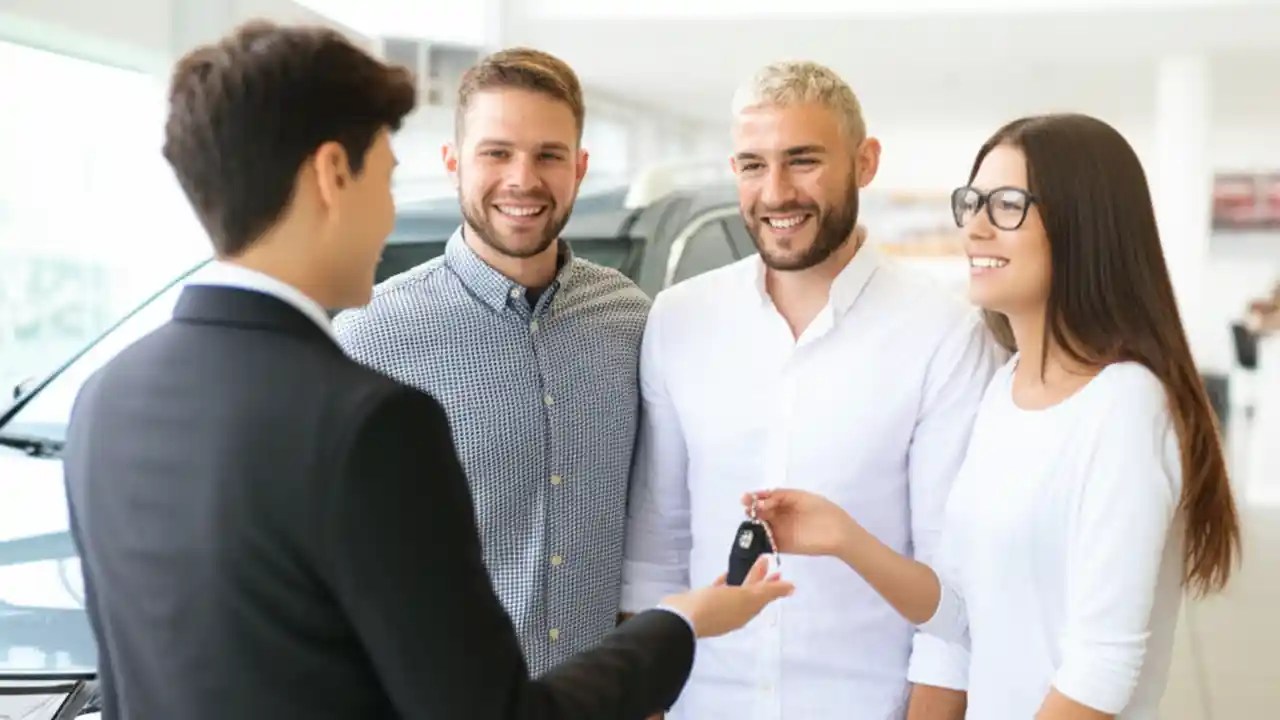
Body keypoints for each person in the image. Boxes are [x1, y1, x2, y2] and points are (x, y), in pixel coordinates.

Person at [61, 21, 792, 720]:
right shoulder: (368, 409)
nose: (388, 216)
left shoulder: (103, 400)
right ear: (331, 176)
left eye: (547, 155)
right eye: (384, 174)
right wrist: (680, 625)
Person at [745, 113, 1243, 719]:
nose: (975, 228)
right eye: (973, 202)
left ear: (1085, 226)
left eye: (1007, 204)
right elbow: (960, 616)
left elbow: (1102, 670)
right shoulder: (1003, 388)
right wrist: (844, 539)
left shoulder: (1125, 405)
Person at [619, 60, 1006, 719]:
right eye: (751, 165)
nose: (775, 192)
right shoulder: (679, 318)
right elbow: (656, 549)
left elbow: (953, 592)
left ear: (865, 162)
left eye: (802, 161)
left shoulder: (945, 333)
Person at [332, 46, 649, 676]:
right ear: (453, 163)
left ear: (579, 168)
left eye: (549, 155)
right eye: (496, 152)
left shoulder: (634, 323)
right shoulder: (369, 338)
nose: (523, 179)